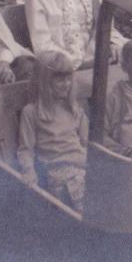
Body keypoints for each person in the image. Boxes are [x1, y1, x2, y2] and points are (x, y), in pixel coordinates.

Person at [17, 51, 88, 212]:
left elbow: (86, 142)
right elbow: (25, 150)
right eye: (59, 79)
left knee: (105, 181)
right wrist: (28, 171)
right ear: (43, 82)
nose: (66, 84)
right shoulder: (32, 112)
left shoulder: (74, 109)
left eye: (69, 78)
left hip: (81, 166)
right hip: (57, 171)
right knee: (78, 183)